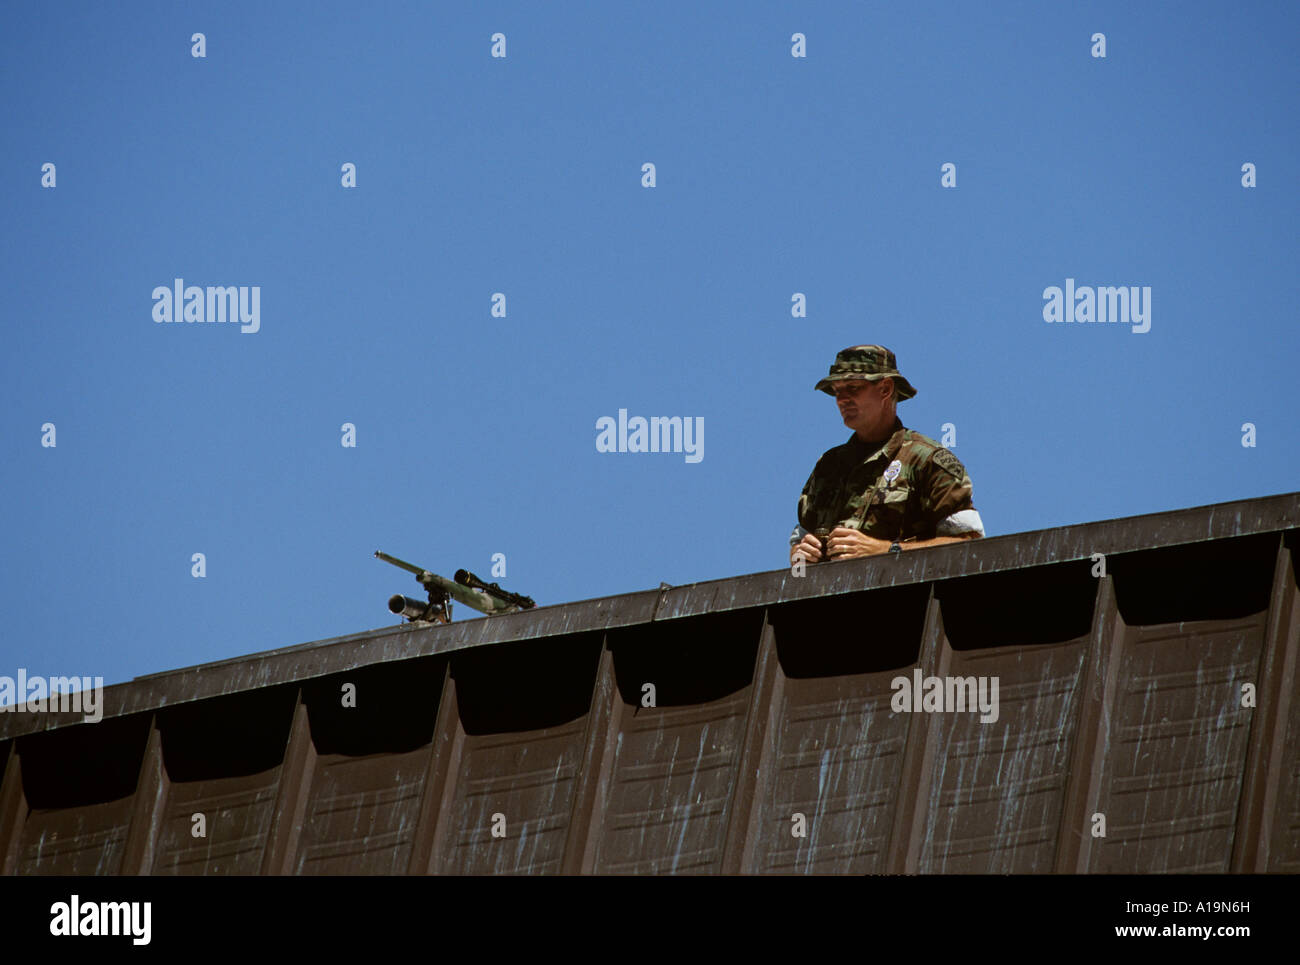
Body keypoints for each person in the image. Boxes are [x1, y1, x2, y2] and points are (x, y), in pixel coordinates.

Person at [790, 345, 985, 564]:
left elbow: (970, 546)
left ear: (885, 389)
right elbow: (798, 545)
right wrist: (800, 553)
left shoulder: (928, 460)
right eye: (837, 391)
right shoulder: (828, 466)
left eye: (853, 388)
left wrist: (887, 550)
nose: (842, 400)